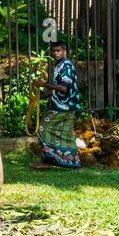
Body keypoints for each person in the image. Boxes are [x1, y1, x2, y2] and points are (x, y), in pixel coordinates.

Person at [33, 41, 83, 169]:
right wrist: (39, 97)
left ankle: (49, 160)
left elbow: (63, 88)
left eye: (58, 51)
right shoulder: (59, 65)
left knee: (43, 128)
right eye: (54, 51)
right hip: (65, 106)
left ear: (64, 52)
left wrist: (43, 84)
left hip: (63, 107)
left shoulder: (66, 66)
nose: (56, 53)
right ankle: (71, 162)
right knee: (66, 134)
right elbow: (57, 88)